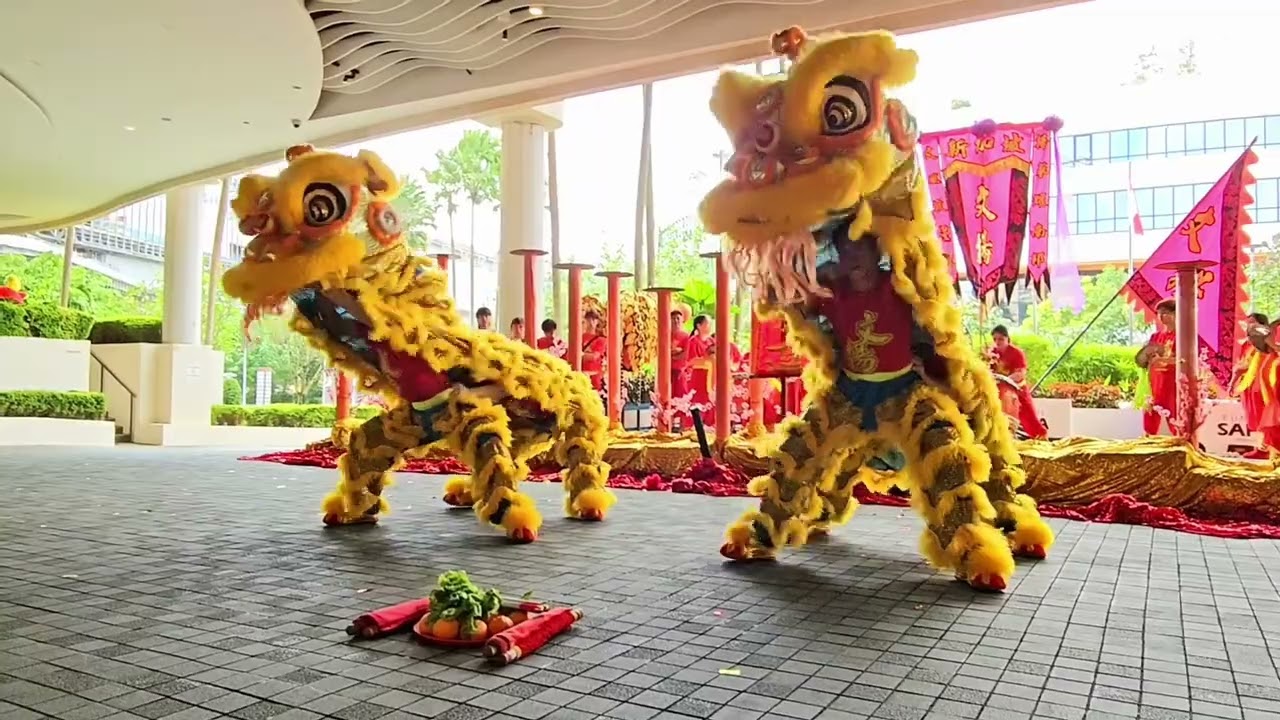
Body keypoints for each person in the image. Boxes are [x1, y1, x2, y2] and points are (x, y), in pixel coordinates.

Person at [988, 325, 1046, 439]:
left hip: (1017, 389)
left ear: (1007, 339)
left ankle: (1042, 437)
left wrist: (1007, 380)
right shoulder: (992, 353)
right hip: (998, 391)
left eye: (1000, 339)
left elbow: (1021, 373)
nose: (997, 342)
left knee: (1030, 417)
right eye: (995, 339)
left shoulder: (1016, 353)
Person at [1136, 299, 1177, 436]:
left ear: (1176, 314)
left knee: (1175, 414)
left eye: (1165, 313)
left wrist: (1162, 360)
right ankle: (1148, 440)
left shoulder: (1183, 337)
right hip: (1155, 382)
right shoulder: (1156, 336)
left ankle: (1180, 443)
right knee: (1150, 412)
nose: (1161, 316)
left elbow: (1185, 360)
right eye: (1159, 313)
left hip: (1172, 383)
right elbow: (1146, 359)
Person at [684, 315, 715, 422]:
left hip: (711, 375)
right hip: (698, 376)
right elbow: (690, 361)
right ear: (699, 326)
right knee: (698, 402)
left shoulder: (712, 341)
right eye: (707, 323)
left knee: (711, 401)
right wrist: (707, 359)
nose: (710, 326)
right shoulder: (693, 341)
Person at [581, 310, 606, 391]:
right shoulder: (578, 338)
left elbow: (594, 357)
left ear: (597, 322)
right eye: (588, 320)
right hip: (581, 376)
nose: (590, 322)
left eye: (593, 319)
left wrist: (581, 355)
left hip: (594, 378)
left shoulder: (601, 340)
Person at [669, 309, 690, 399]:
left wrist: (671, 356)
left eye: (678, 318)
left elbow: (686, 354)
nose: (676, 321)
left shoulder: (686, 336)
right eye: (673, 318)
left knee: (680, 397)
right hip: (667, 371)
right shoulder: (665, 335)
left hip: (680, 371)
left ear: (682, 321)